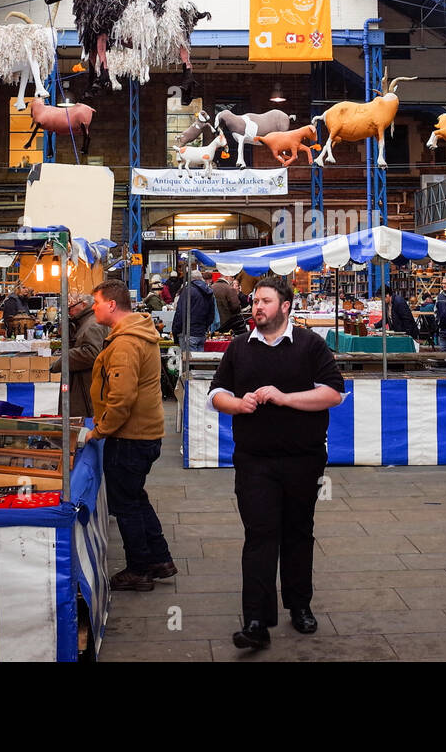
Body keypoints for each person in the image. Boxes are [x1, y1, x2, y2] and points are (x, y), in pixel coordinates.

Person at [208, 279, 346, 650]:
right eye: (255, 301)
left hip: (304, 459)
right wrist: (237, 404)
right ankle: (256, 620)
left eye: (266, 301)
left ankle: (300, 605)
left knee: (298, 531)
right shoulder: (239, 348)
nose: (257, 307)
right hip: (254, 461)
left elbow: (333, 393)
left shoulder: (310, 345)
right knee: (259, 535)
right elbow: (216, 393)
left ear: (285, 306)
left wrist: (285, 398)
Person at [88, 279, 174, 592]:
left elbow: (121, 398)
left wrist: (100, 430)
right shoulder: (136, 333)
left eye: (96, 302)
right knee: (135, 497)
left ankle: (139, 569)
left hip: (131, 437)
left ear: (111, 304)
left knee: (125, 504)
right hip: (144, 433)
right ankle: (160, 559)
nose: (93, 307)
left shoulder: (125, 343)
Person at [52, 292, 109, 420]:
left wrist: (62, 361)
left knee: (83, 427)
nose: (69, 311)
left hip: (85, 387)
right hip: (81, 385)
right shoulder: (83, 322)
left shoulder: (92, 324)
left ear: (83, 305)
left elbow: (91, 353)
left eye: (71, 307)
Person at [171, 268, 216, 351]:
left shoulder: (188, 291)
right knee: (199, 362)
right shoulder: (209, 292)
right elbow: (211, 314)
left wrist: (175, 331)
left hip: (188, 333)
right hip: (201, 333)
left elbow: (180, 313)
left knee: (188, 362)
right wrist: (204, 327)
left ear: (190, 279)